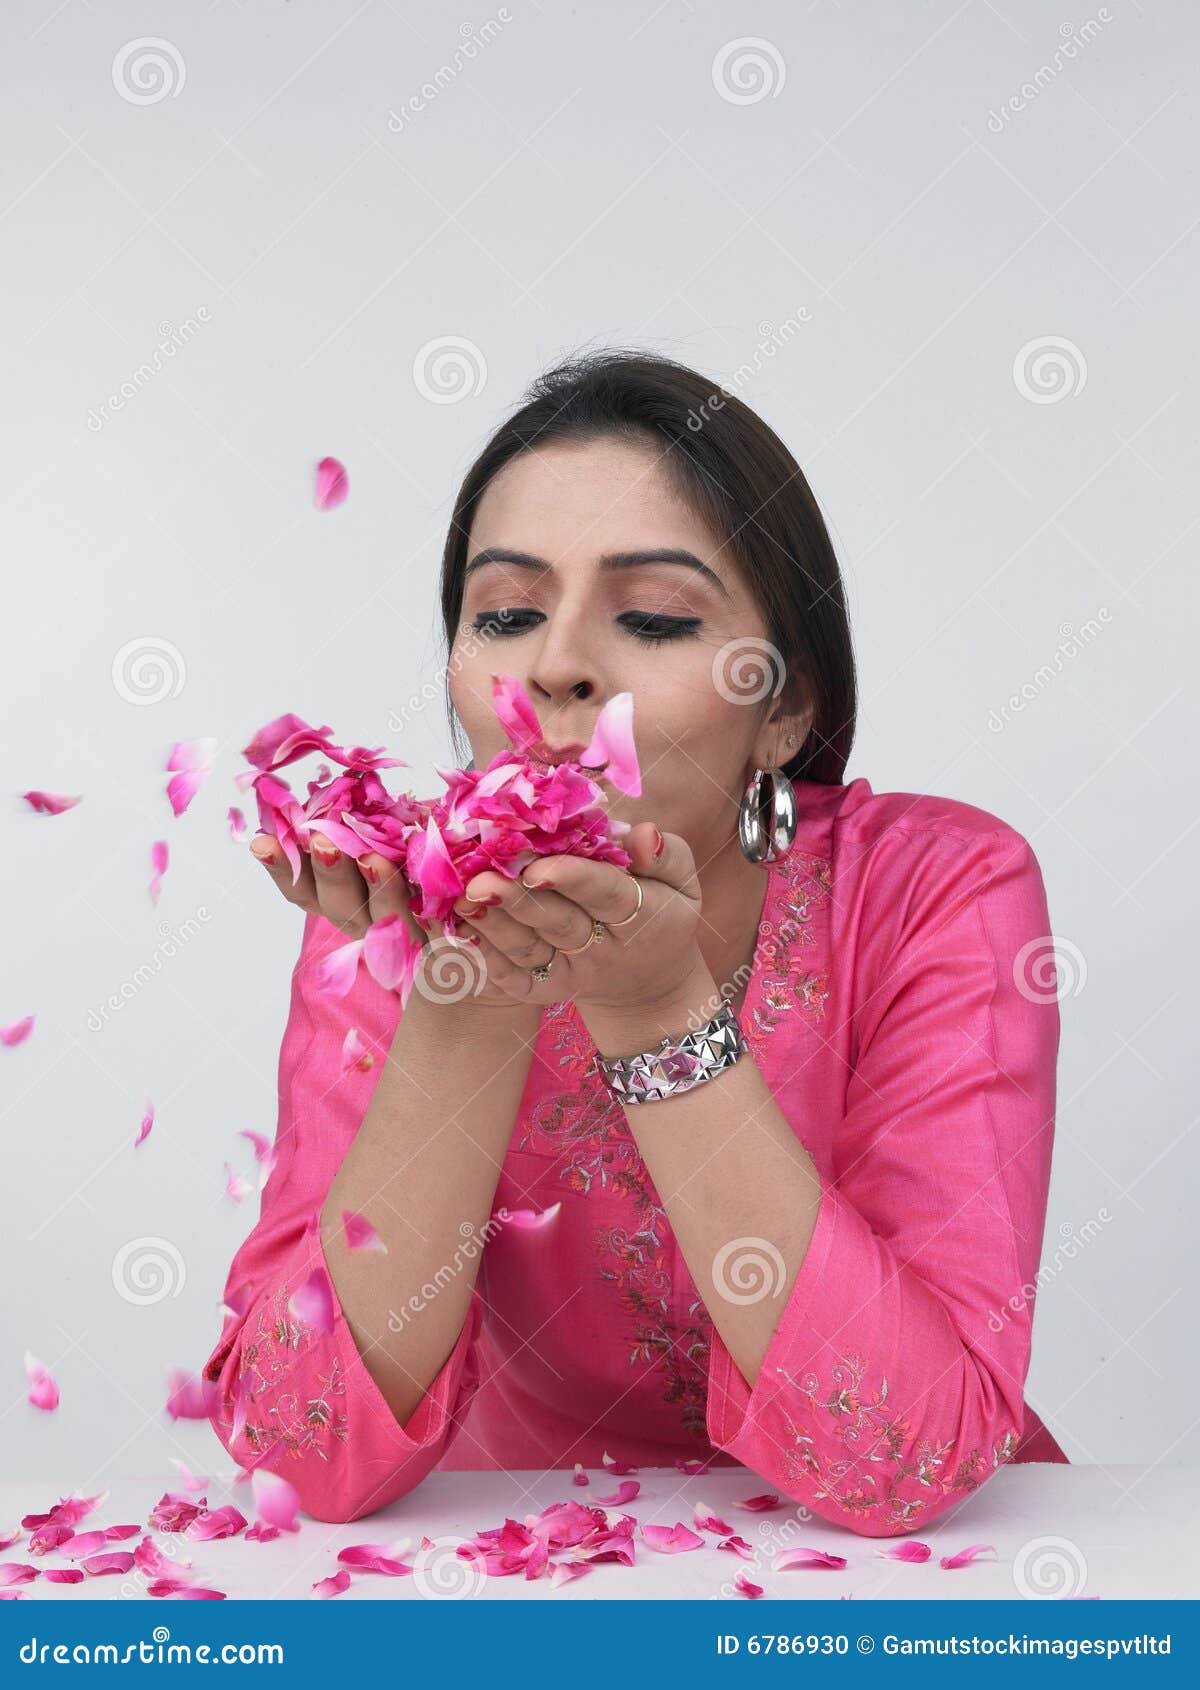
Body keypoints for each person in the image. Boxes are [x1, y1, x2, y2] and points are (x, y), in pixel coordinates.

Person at [202, 348, 1067, 1535]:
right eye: (504, 613)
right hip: (536, 1586)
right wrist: (476, 990)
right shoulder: (381, 919)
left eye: (652, 616)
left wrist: (657, 1006)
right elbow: (300, 1455)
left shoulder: (938, 888)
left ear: (787, 705)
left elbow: (903, 1461)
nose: (553, 665)